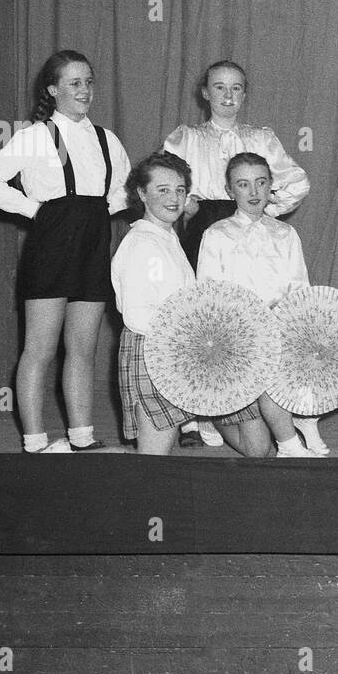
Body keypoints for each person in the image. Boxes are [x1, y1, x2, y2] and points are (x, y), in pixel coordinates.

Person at [0, 50, 131, 454]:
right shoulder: (36, 136)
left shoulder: (105, 138)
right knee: (40, 348)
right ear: (53, 89)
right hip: (50, 246)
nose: (85, 90)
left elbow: (124, 190)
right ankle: (36, 442)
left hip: (94, 245)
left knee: (83, 349)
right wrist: (38, 210)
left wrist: (98, 213)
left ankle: (81, 436)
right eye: (75, 83)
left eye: (89, 81)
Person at [162, 58, 310, 449]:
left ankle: (264, 409)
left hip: (250, 216)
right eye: (220, 87)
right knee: (205, 315)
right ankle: (198, 412)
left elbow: (296, 181)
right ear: (205, 93)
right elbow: (167, 181)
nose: (228, 96)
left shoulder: (261, 138)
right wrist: (188, 205)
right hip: (204, 226)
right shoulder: (186, 137)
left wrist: (267, 213)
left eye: (237, 88)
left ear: (245, 93)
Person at [196, 153, 322, 458]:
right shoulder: (216, 235)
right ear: (229, 191)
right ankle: (211, 413)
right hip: (237, 343)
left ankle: (298, 422)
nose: (253, 193)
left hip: (280, 335)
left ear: (270, 187)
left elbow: (299, 289)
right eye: (243, 184)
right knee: (257, 451)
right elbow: (210, 297)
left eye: (260, 183)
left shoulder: (285, 233)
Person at [110, 153, 200, 454]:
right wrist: (179, 337)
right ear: (141, 193)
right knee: (152, 461)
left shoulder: (165, 236)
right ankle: (60, 459)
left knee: (154, 457)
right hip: (151, 353)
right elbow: (137, 315)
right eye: (162, 189)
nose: (174, 198)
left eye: (180, 189)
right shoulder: (143, 243)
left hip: (168, 352)